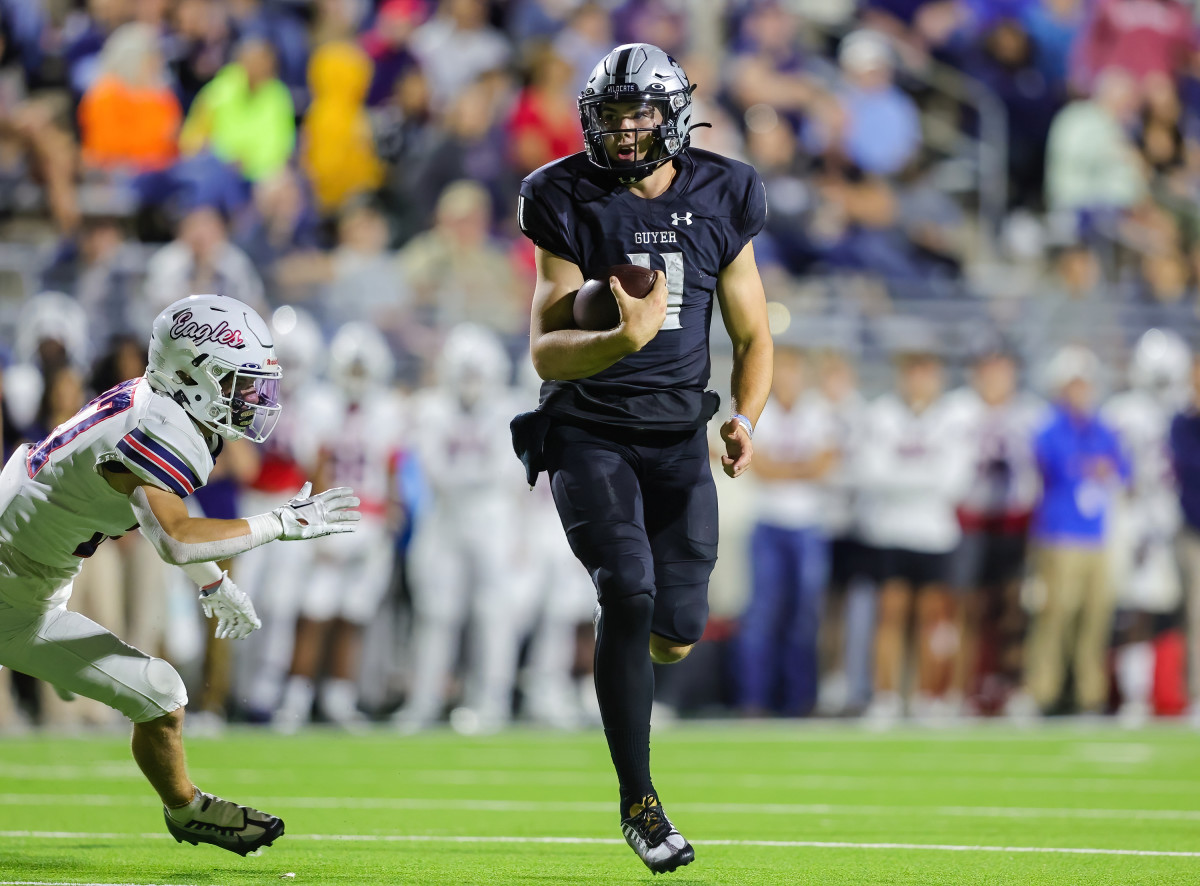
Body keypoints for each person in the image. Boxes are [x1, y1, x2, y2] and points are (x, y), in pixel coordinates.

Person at [512, 43, 773, 874]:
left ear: (673, 116)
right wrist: (619, 338)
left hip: (677, 437)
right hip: (587, 428)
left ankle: (647, 642)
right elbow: (547, 352)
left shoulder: (723, 189)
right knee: (624, 585)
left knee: (678, 628)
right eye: (612, 120)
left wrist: (748, 417)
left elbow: (753, 333)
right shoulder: (560, 193)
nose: (625, 135)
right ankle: (640, 800)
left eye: (640, 118)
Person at [0, 295, 360, 854]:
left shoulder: (159, 406)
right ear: (194, 375)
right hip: (13, 586)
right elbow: (173, 537)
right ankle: (186, 808)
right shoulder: (164, 426)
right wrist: (279, 522)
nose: (252, 398)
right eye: (239, 382)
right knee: (158, 691)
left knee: (158, 692)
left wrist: (214, 582)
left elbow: (155, 513)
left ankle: (186, 808)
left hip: (31, 576)